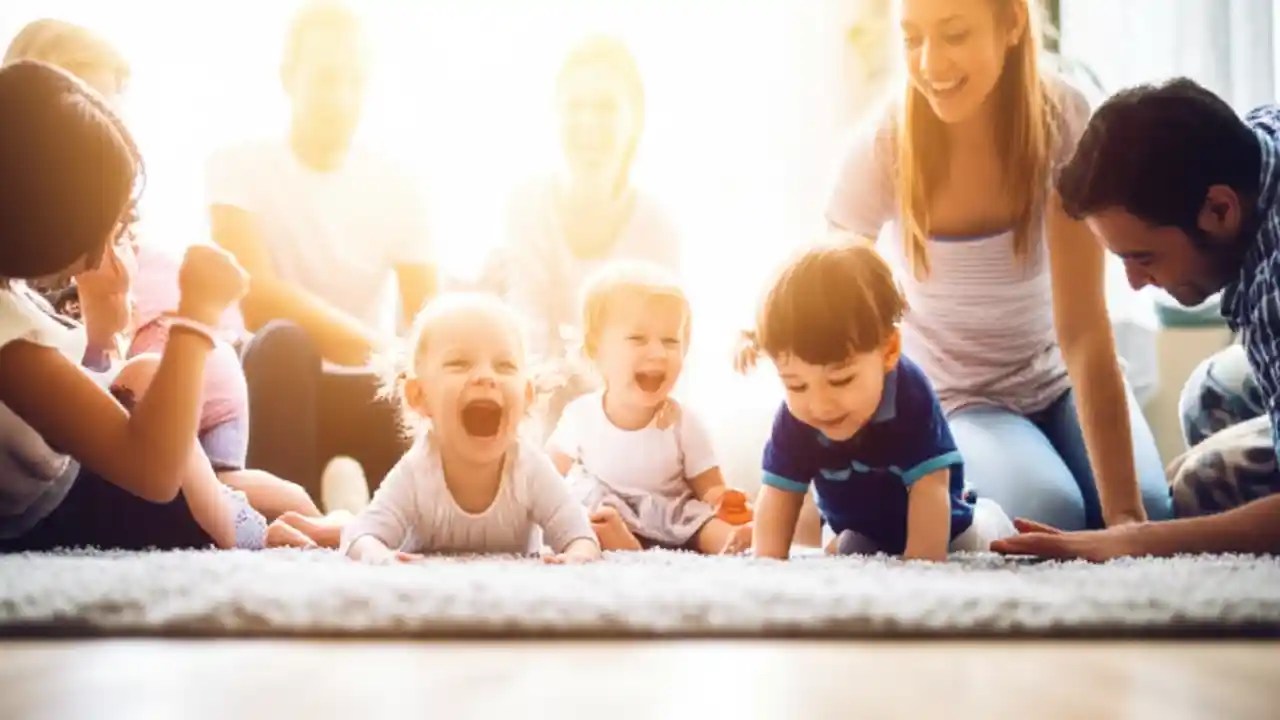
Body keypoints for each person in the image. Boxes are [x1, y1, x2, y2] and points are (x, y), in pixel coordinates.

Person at [824, 0, 1169, 532]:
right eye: (913, 39)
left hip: (1059, 379)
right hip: (959, 398)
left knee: (1146, 506)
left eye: (954, 34)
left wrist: (1126, 514)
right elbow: (829, 305)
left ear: (1011, 24)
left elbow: (1083, 331)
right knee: (1052, 512)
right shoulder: (887, 143)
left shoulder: (1066, 122)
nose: (930, 65)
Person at [3, 18, 328, 534]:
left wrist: (105, 338)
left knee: (274, 484)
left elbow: (77, 401)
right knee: (221, 487)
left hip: (77, 476)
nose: (96, 256)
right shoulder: (12, 343)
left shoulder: (15, 304)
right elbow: (151, 471)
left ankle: (278, 523)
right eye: (94, 231)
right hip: (66, 502)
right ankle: (260, 535)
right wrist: (196, 317)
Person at [994, 78, 1280, 559]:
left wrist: (1139, 541)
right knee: (1211, 395)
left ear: (1219, 209)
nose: (1135, 282)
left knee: (1201, 487)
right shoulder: (1257, 144)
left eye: (1144, 257)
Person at [208, 0, 435, 502]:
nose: (342, 96)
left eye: (355, 80)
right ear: (289, 77)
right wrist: (383, 349)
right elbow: (257, 297)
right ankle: (279, 527)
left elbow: (428, 316)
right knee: (286, 343)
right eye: (327, 78)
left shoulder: (399, 184)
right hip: (273, 384)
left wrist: (403, 364)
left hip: (366, 386)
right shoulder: (236, 166)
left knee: (419, 387)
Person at [745, 241, 1015, 561]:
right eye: (796, 384)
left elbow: (930, 486)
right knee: (848, 550)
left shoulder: (909, 395)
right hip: (861, 532)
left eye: (840, 380)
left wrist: (921, 565)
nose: (820, 405)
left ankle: (989, 514)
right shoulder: (796, 418)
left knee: (974, 541)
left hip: (948, 526)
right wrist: (765, 562)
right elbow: (779, 493)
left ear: (888, 351)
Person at [484, 35, 680, 437]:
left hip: (628, 413)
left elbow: (656, 358)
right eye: (575, 107)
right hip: (539, 403)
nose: (588, 122)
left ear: (635, 120)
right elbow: (529, 338)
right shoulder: (527, 204)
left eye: (605, 107)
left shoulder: (657, 226)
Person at [339, 294, 600, 564]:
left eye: (504, 366)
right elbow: (363, 535)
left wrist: (577, 556)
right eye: (459, 363)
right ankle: (345, 503)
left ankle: (344, 505)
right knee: (344, 525)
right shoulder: (417, 471)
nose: (486, 376)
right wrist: (377, 554)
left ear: (526, 396)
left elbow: (579, 534)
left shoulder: (529, 468)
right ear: (419, 395)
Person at [546, 262, 753, 554]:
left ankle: (733, 543)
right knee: (585, 517)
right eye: (637, 339)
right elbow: (547, 474)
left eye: (670, 341)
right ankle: (625, 542)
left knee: (706, 523)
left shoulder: (683, 422)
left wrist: (723, 499)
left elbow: (709, 485)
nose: (657, 352)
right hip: (609, 506)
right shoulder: (581, 416)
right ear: (596, 350)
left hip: (670, 512)